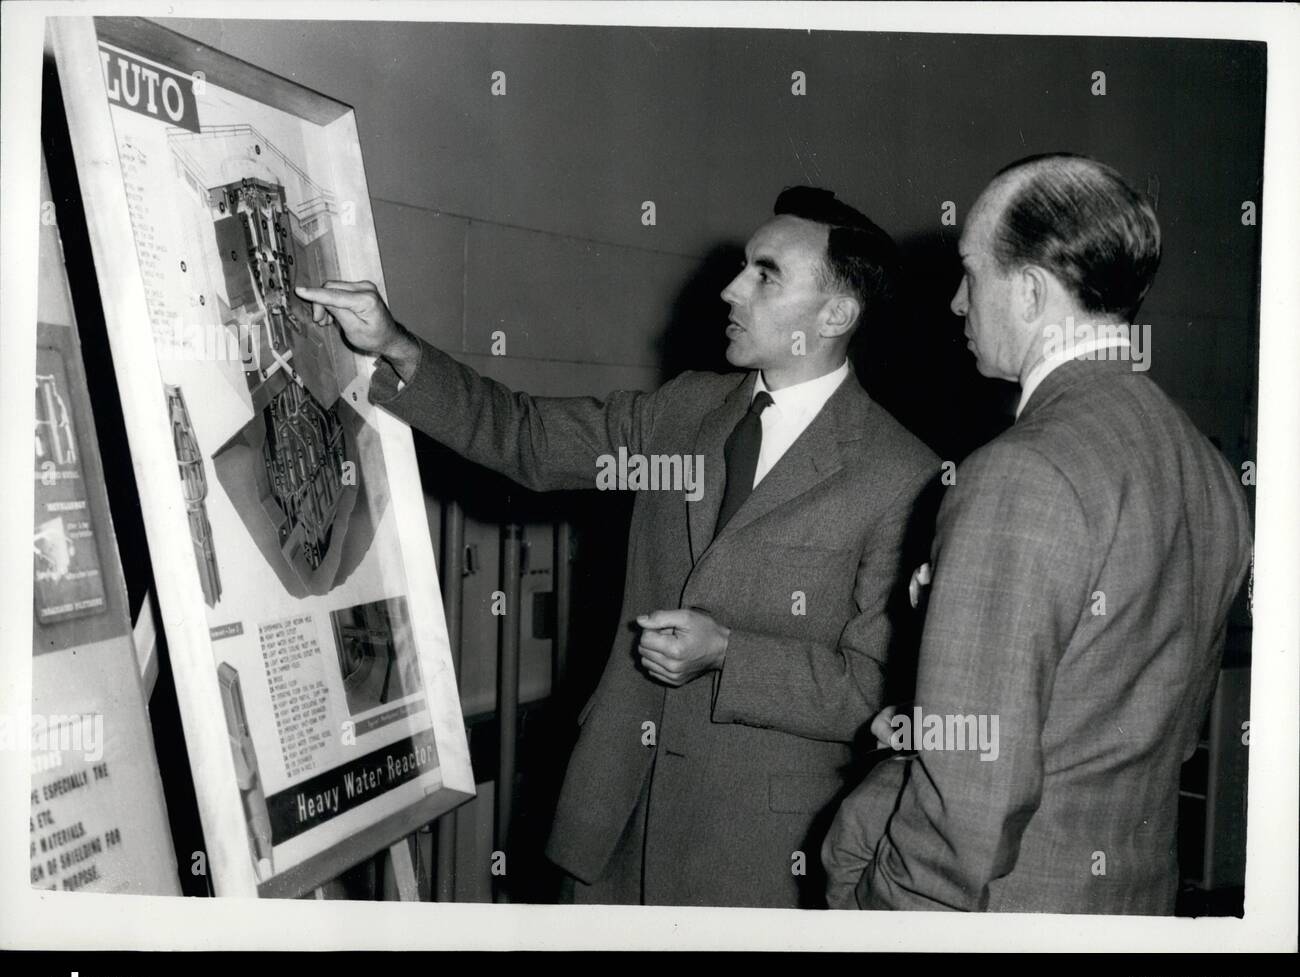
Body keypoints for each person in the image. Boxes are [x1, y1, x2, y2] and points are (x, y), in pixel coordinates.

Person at [297, 186, 939, 907]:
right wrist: (394, 345)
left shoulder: (900, 475)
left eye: (765, 274)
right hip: (608, 827)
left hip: (754, 858)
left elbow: (874, 688)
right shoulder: (685, 409)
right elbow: (528, 438)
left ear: (835, 314)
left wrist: (731, 654)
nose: (730, 289)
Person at [821, 154, 1252, 914]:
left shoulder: (1021, 472)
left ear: (1028, 290)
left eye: (970, 274)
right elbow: (1159, 727)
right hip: (1129, 899)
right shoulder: (1206, 465)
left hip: (1004, 909)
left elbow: (968, 807)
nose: (957, 303)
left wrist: (876, 913)